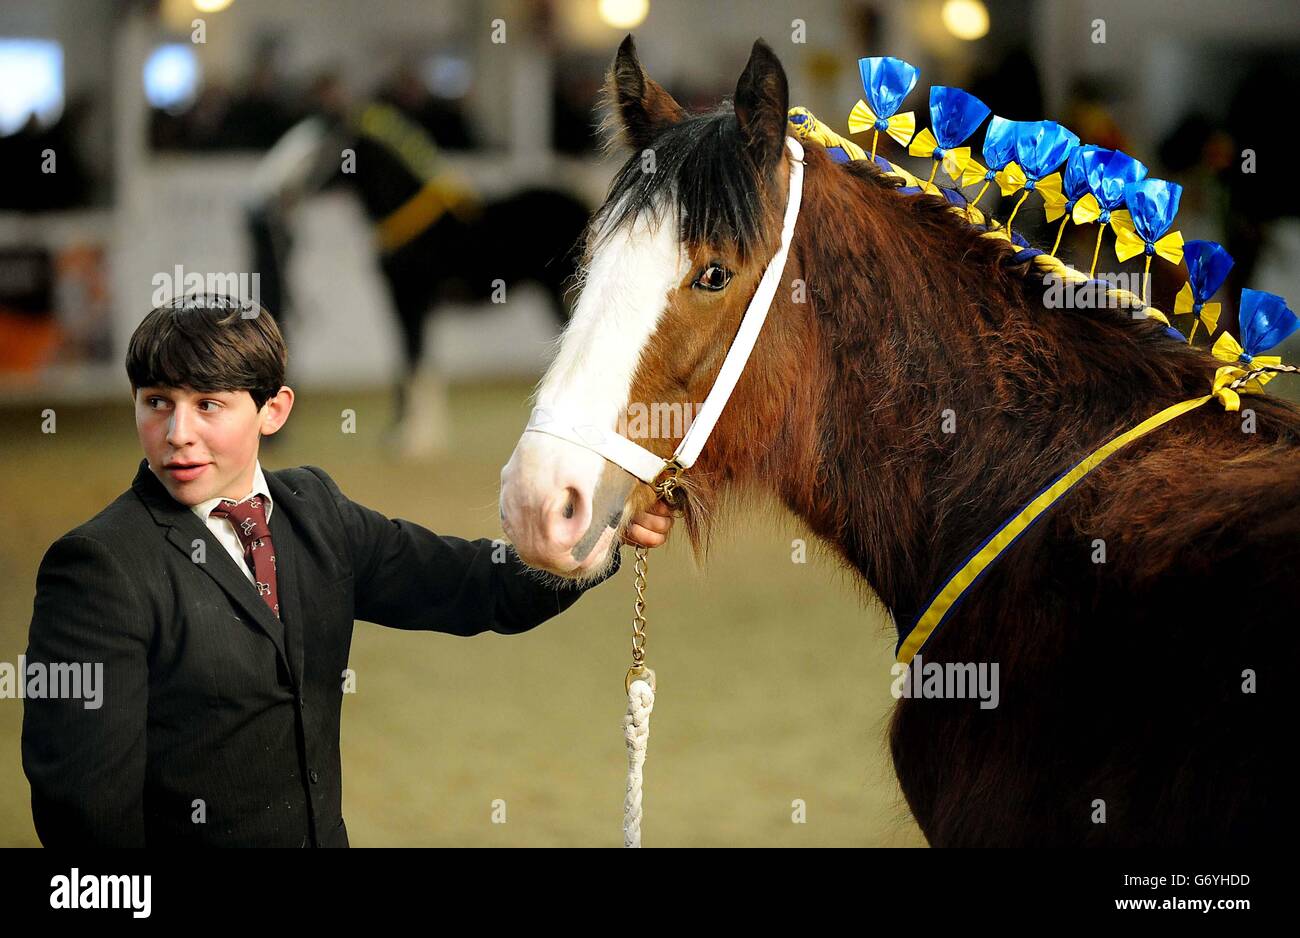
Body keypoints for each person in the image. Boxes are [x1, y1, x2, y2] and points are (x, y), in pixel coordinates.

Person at [20, 294, 672, 847]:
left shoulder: (316, 512)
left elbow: (479, 588)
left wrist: (598, 535)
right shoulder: (99, 567)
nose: (177, 433)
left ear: (273, 410)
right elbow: (83, 814)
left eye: (208, 405)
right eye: (157, 403)